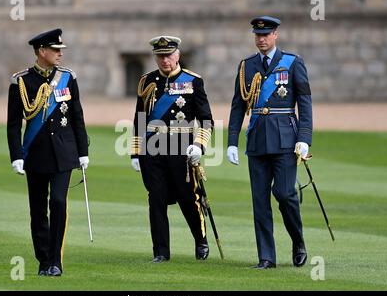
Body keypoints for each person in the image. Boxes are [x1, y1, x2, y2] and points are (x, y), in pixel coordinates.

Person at [227, 16, 312, 269]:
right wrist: (232, 141)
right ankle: (266, 257)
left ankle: (298, 241)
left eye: (266, 35)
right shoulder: (246, 66)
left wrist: (304, 139)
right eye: (257, 35)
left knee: (285, 194)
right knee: (260, 201)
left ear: (275, 35)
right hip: (257, 139)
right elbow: (237, 105)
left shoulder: (293, 63)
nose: (261, 39)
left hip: (286, 139)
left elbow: (305, 103)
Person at [7, 28, 89, 276]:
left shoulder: (68, 78)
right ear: (41, 51)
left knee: (58, 201)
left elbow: (77, 116)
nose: (59, 54)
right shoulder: (21, 81)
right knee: (38, 210)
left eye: (60, 50)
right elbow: (13, 123)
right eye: (55, 50)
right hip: (36, 153)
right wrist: (16, 155)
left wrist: (83, 151)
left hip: (65, 152)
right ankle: (43, 259)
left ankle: (56, 260)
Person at [131, 35, 214, 263]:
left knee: (188, 198)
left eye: (168, 55)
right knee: (156, 199)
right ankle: (160, 251)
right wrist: (136, 151)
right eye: (160, 56)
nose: (164, 60)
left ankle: (201, 240)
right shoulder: (146, 81)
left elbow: (206, 119)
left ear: (178, 55)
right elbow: (139, 118)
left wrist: (199, 145)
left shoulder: (193, 81)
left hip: (181, 150)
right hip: (152, 149)